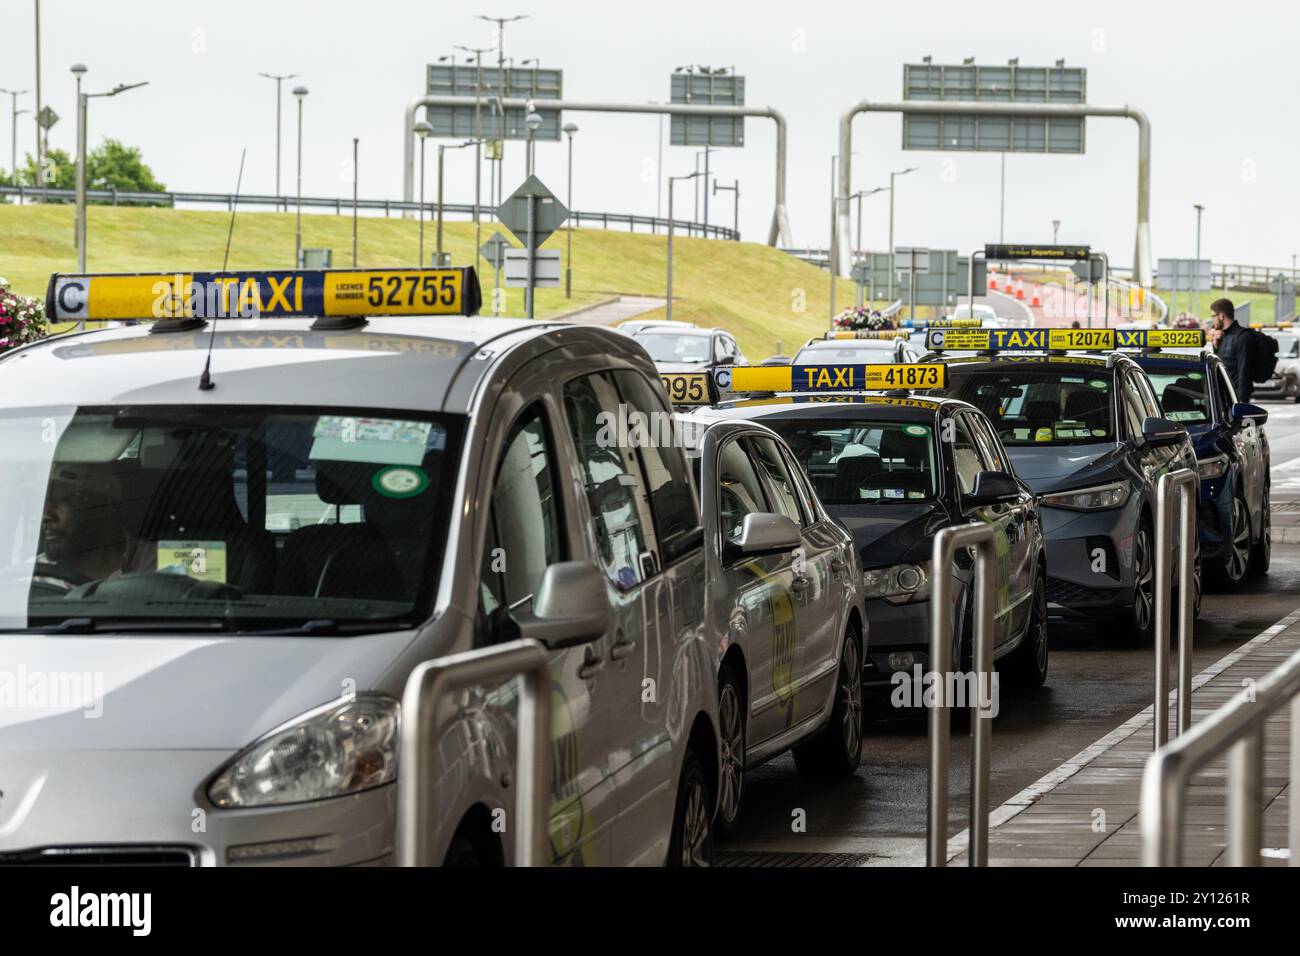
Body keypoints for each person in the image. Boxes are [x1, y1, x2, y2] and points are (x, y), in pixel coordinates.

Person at [1208, 298, 1253, 402]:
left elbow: (1244, 373)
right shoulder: (1222, 336)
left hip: (1236, 399)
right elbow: (1220, 366)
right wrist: (1215, 346)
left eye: (1213, 316)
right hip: (1223, 398)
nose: (1212, 320)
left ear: (1221, 316)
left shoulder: (1242, 337)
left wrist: (1241, 404)